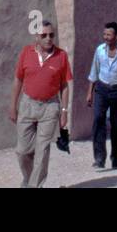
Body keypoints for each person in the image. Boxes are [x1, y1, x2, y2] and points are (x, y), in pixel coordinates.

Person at [9, 20, 72, 188]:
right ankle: (29, 180)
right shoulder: (26, 53)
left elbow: (65, 86)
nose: (48, 38)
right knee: (22, 151)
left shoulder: (61, 56)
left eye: (51, 35)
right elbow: (18, 80)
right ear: (37, 37)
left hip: (50, 106)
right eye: (44, 35)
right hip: (28, 104)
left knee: (42, 150)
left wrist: (64, 111)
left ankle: (34, 186)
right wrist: (13, 106)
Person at [85, 21, 117, 170]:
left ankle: (115, 159)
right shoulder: (100, 50)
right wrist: (90, 93)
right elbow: (94, 73)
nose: (106, 37)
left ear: (116, 36)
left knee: (116, 125)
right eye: (104, 34)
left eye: (109, 34)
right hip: (101, 89)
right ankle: (99, 158)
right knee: (98, 120)